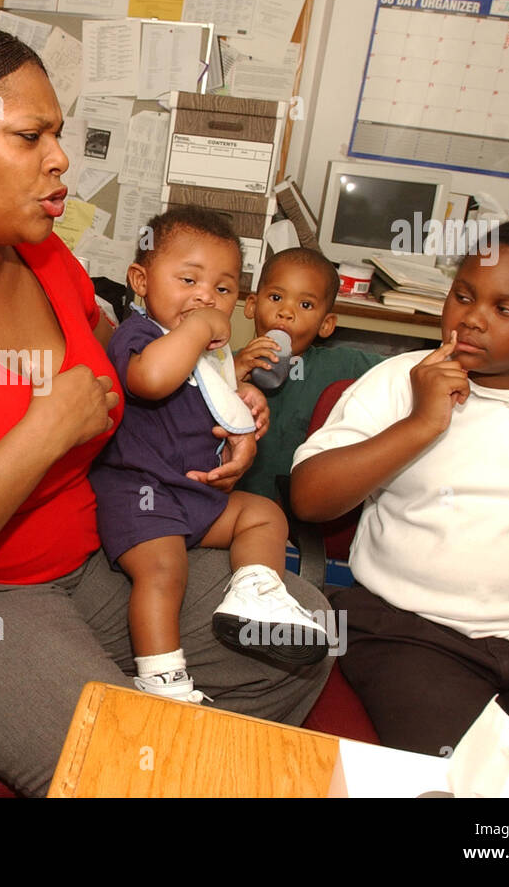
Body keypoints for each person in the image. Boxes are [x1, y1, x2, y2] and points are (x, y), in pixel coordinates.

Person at [0, 19, 332, 797]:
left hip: (84, 558)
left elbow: (130, 369)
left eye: (59, 134)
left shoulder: (45, 261)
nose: (59, 160)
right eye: (29, 136)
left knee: (302, 631)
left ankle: (180, 760)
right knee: (123, 768)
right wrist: (40, 434)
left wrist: (221, 399)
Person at [291, 217, 509, 797]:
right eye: (463, 295)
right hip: (409, 632)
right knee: (464, 789)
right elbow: (310, 498)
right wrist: (420, 422)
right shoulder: (398, 381)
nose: (471, 318)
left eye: (506, 309)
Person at [89, 208, 329, 704]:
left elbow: (217, 394)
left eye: (222, 289)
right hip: (140, 498)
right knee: (164, 571)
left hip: (194, 493)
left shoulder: (211, 354)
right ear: (141, 281)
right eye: (188, 279)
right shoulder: (140, 334)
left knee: (263, 514)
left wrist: (245, 397)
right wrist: (199, 329)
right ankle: (161, 680)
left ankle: (254, 592)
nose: (205, 297)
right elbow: (152, 380)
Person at [234, 247, 384, 501]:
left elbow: (403, 371)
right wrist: (233, 373)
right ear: (251, 305)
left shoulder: (340, 366)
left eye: (305, 305)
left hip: (302, 514)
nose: (286, 312)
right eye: (275, 297)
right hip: (231, 503)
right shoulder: (227, 363)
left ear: (326, 325)